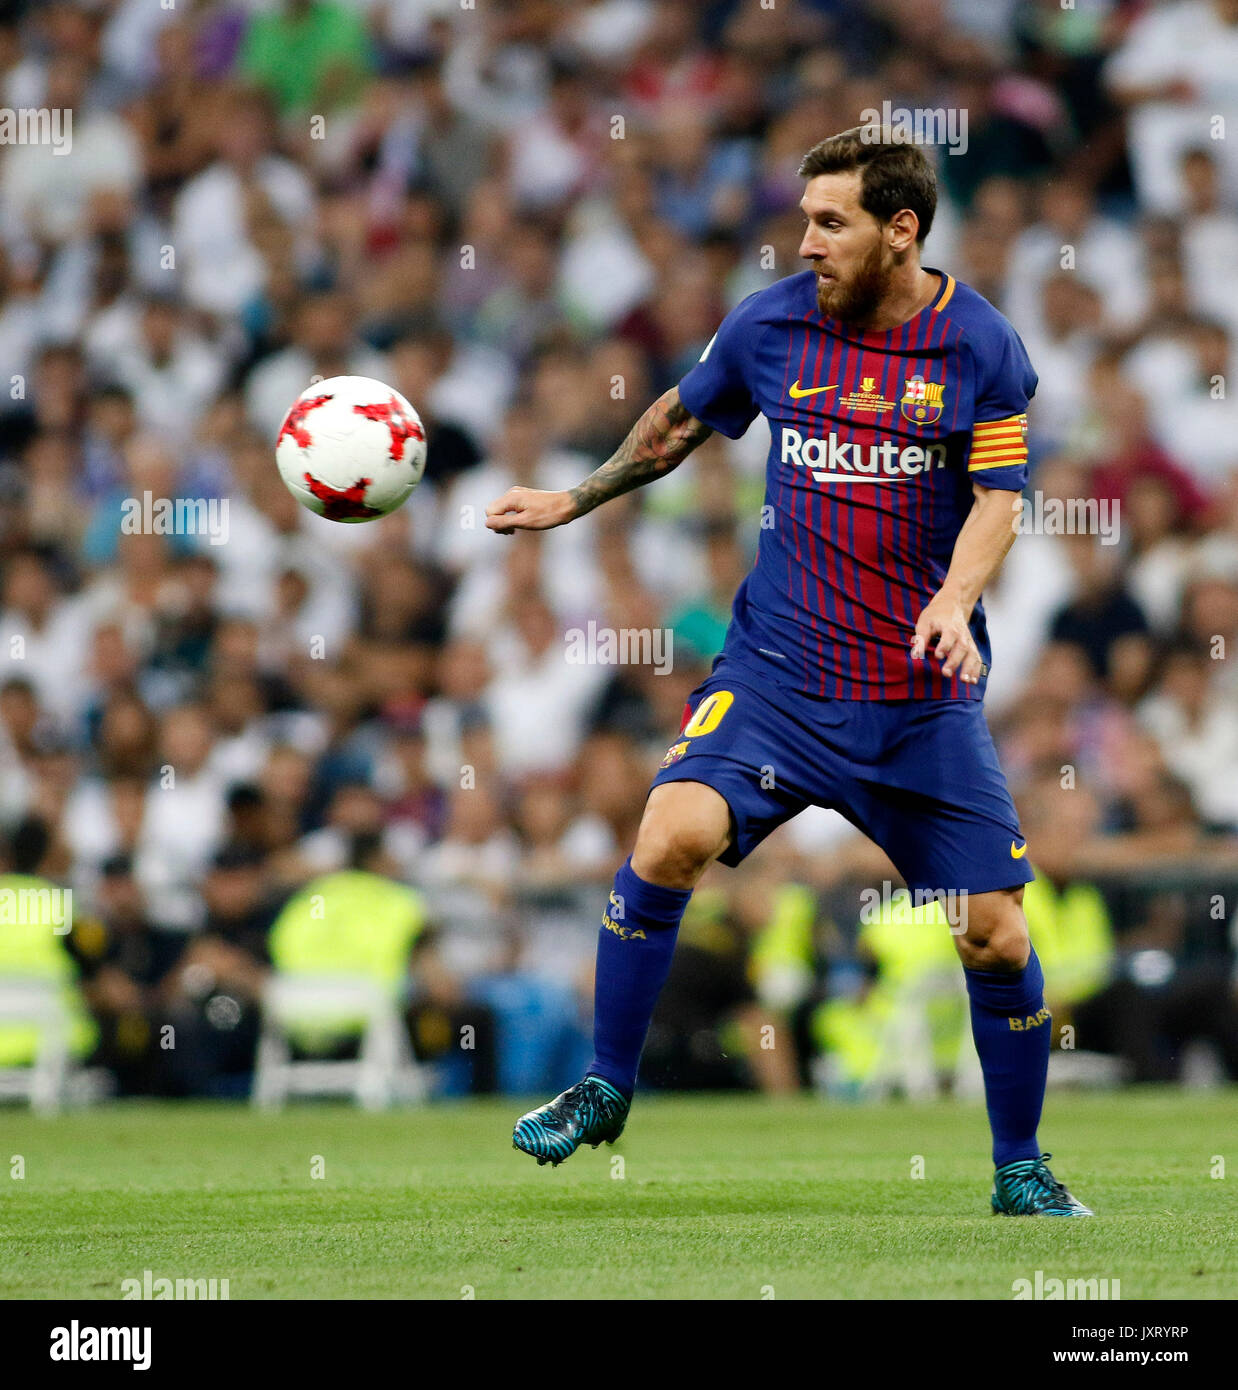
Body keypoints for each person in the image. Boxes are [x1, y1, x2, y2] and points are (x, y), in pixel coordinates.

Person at [485, 128, 1091, 1216]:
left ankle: (1017, 1167)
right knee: (667, 832)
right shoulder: (768, 325)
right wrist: (569, 499)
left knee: (992, 929)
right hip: (775, 676)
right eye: (802, 218)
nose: (802, 242)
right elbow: (677, 423)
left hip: (914, 697)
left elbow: (998, 498)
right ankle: (604, 1087)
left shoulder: (979, 346)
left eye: (829, 222)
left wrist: (953, 599)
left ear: (900, 231)